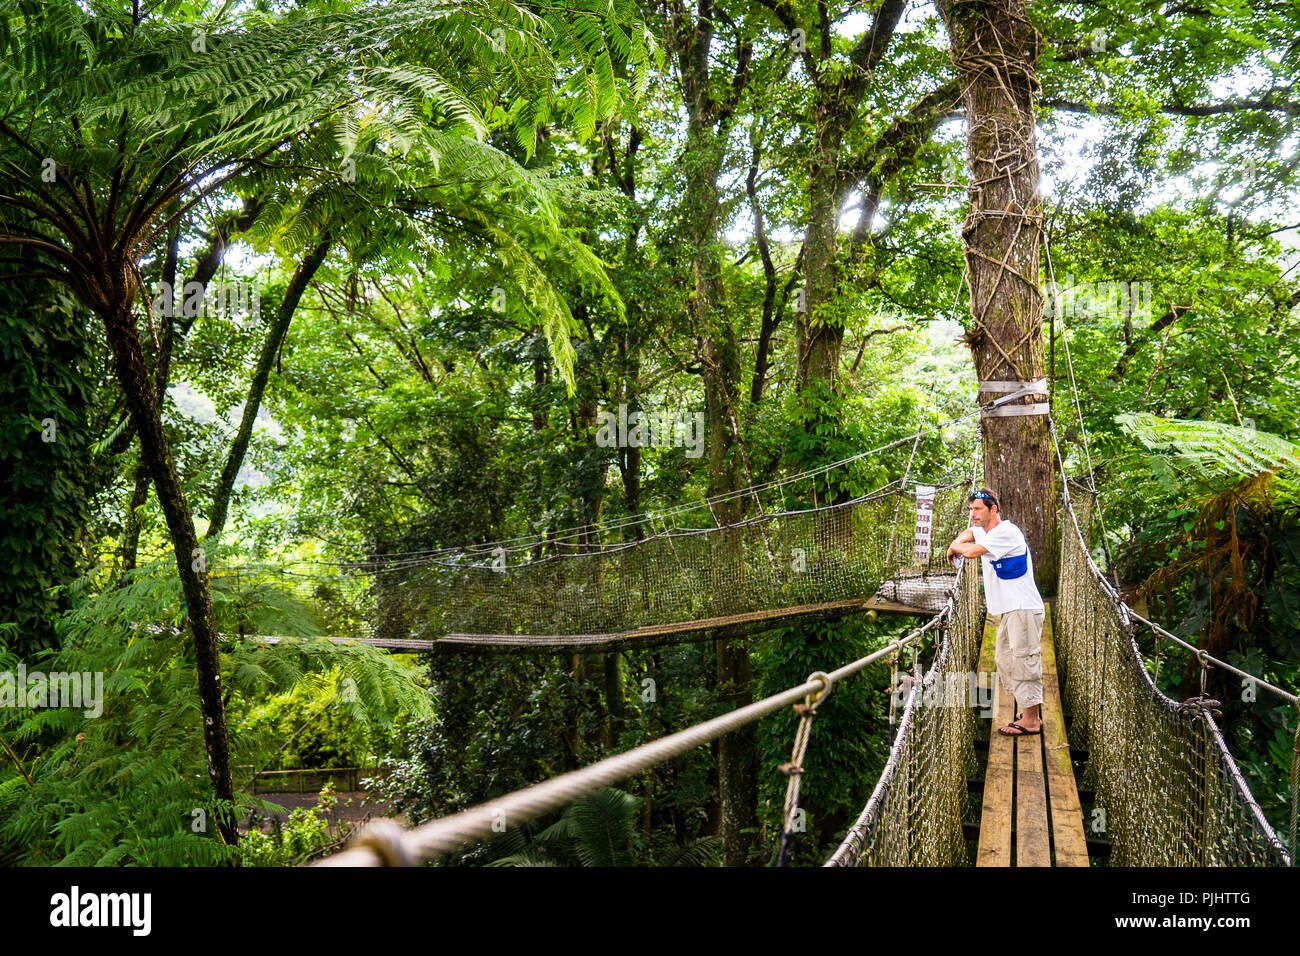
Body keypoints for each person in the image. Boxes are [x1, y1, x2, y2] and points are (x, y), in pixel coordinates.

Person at [945, 488, 1045, 736]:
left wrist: (954, 547)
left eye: (978, 509)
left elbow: (969, 551)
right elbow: (970, 533)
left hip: (1023, 608)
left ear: (993, 509)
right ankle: (1028, 709)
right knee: (1005, 659)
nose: (973, 514)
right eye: (971, 509)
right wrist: (957, 541)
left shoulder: (1006, 532)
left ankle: (1031, 720)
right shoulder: (985, 531)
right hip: (1010, 610)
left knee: (1024, 660)